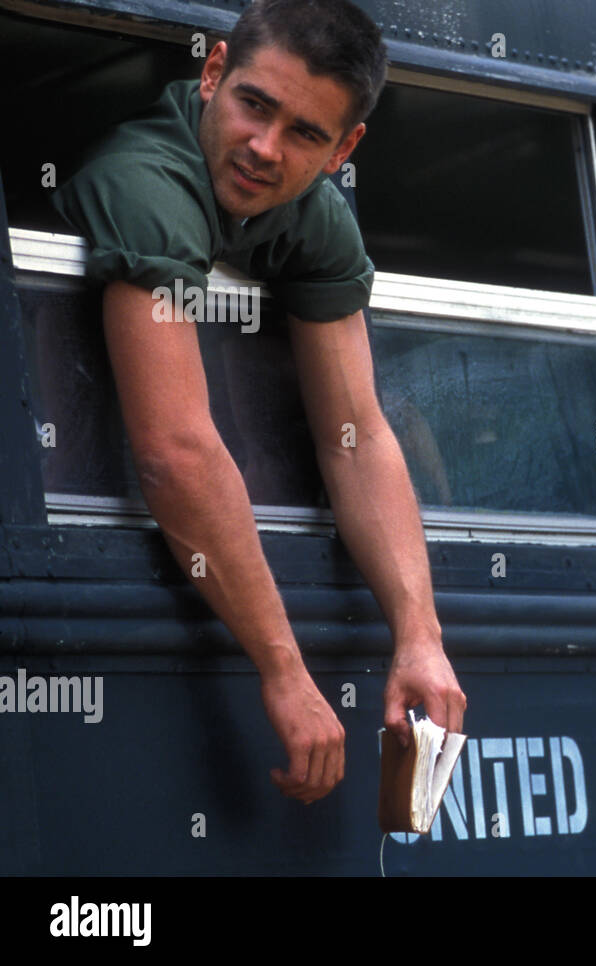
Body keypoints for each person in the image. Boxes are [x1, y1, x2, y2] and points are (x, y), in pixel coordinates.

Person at [49, 0, 465, 805]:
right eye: (253, 105)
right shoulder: (148, 180)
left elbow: (355, 436)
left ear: (345, 148)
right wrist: (282, 670)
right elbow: (174, 450)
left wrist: (421, 637)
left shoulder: (314, 219)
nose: (265, 149)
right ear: (212, 74)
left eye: (307, 134)